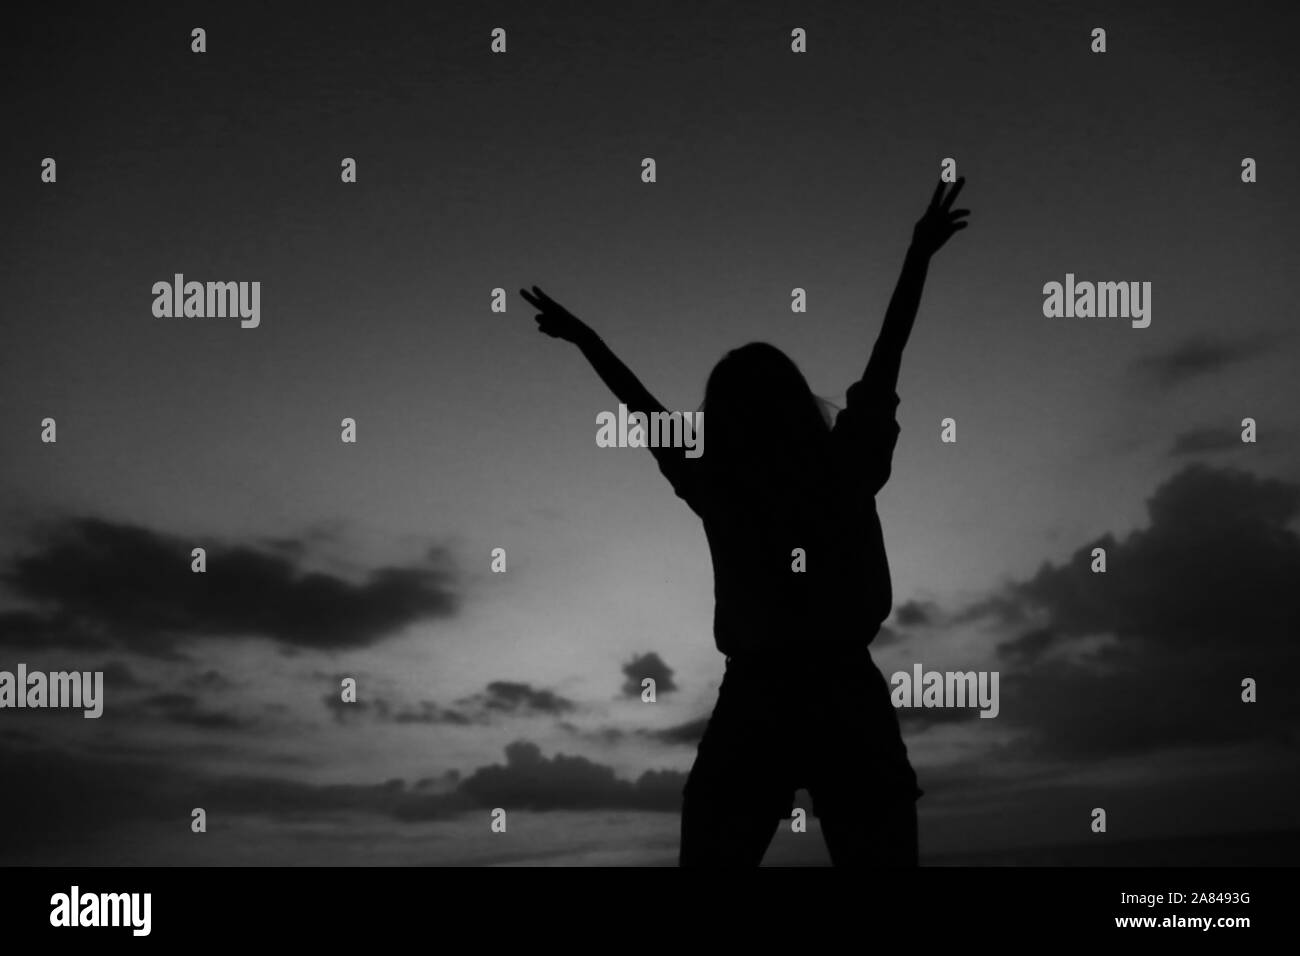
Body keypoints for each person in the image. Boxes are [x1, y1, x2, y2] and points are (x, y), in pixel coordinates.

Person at [521, 177, 970, 866]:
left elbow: (644, 409)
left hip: (764, 696)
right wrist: (917, 258)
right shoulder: (838, 463)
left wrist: (587, 339)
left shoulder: (722, 482)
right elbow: (886, 358)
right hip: (835, 694)